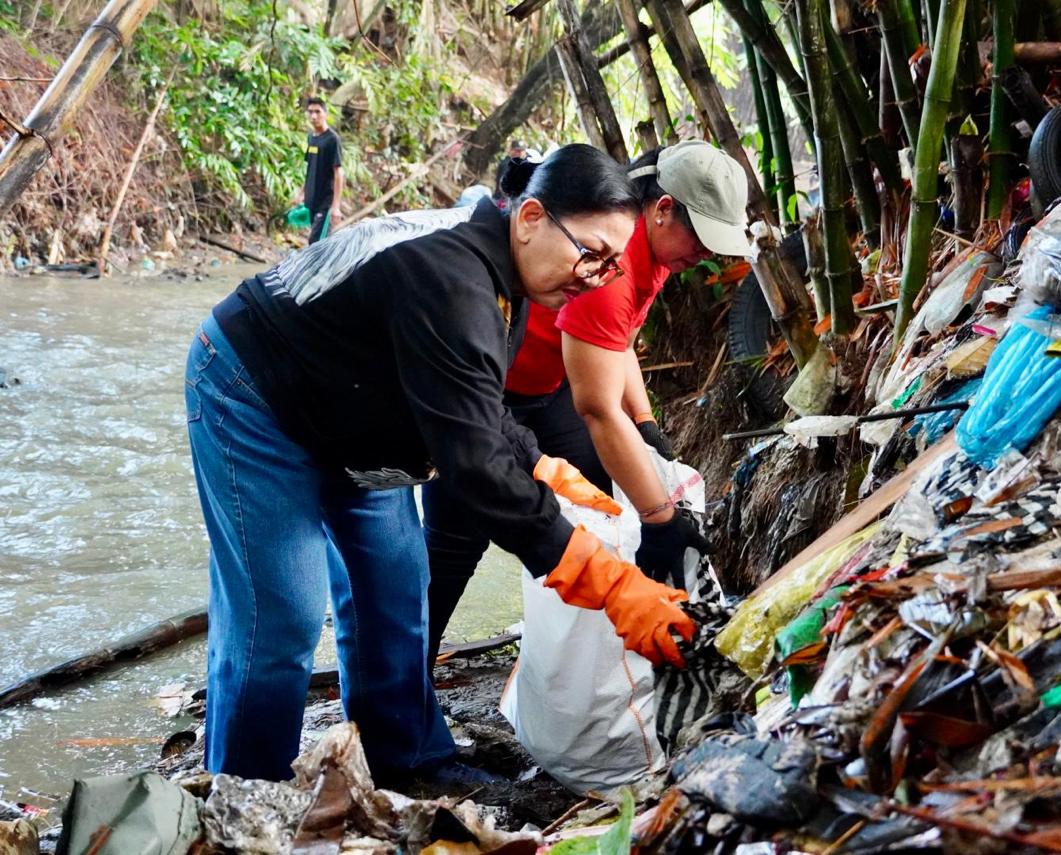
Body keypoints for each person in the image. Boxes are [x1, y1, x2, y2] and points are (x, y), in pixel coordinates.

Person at [185, 144, 695, 784]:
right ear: (532, 216)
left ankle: (406, 758)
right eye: (590, 253)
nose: (594, 277)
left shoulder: (510, 281)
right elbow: (475, 468)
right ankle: (246, 790)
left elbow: (480, 407)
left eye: (610, 266)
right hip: (256, 395)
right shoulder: (451, 278)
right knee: (282, 613)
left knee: (398, 587)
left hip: (362, 415)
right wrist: (613, 586)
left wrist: (543, 467)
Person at [424, 140, 751, 667]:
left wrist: (644, 423)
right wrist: (661, 517)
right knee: (455, 546)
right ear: (663, 210)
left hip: (546, 389)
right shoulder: (610, 263)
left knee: (603, 510)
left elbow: (619, 343)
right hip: (489, 392)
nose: (707, 255)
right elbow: (598, 407)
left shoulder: (654, 253)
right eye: (703, 237)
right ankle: (407, 686)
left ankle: (613, 652)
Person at [292, 96, 344, 244]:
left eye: (318, 112)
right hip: (312, 200)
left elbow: (338, 172)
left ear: (325, 114)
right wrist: (301, 194)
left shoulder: (332, 139)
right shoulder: (312, 138)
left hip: (326, 202)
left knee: (316, 242)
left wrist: (336, 207)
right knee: (320, 243)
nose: (313, 116)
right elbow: (310, 169)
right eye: (310, 112)